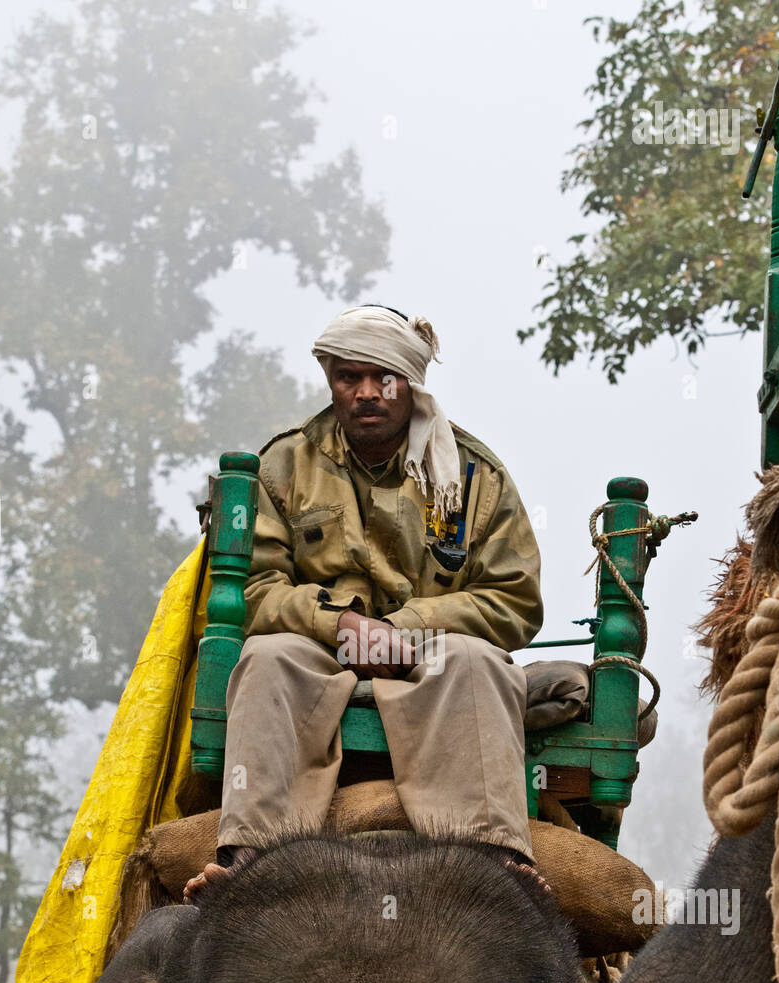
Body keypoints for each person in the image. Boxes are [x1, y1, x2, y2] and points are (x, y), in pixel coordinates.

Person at [185, 304, 543, 901]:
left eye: (386, 378)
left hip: (432, 658)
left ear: (412, 382)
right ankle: (250, 857)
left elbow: (515, 600)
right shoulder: (282, 464)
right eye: (350, 377)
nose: (368, 393)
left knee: (479, 664)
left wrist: (406, 627)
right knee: (268, 658)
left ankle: (490, 859)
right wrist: (343, 624)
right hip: (318, 653)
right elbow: (254, 589)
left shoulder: (476, 476)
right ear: (330, 377)